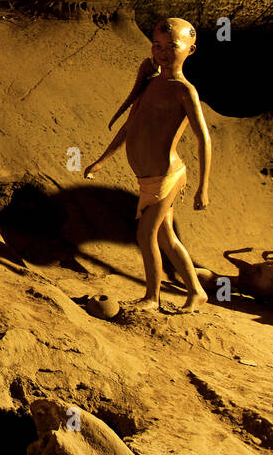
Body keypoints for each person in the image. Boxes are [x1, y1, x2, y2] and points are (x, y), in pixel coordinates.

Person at [85, 18, 210, 311]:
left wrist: (203, 187)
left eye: (172, 46)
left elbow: (204, 139)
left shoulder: (185, 90)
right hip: (148, 179)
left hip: (168, 175)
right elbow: (129, 128)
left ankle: (152, 297)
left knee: (145, 234)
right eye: (157, 46)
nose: (163, 52)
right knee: (167, 238)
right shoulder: (152, 85)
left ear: (190, 50)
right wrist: (101, 161)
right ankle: (196, 290)